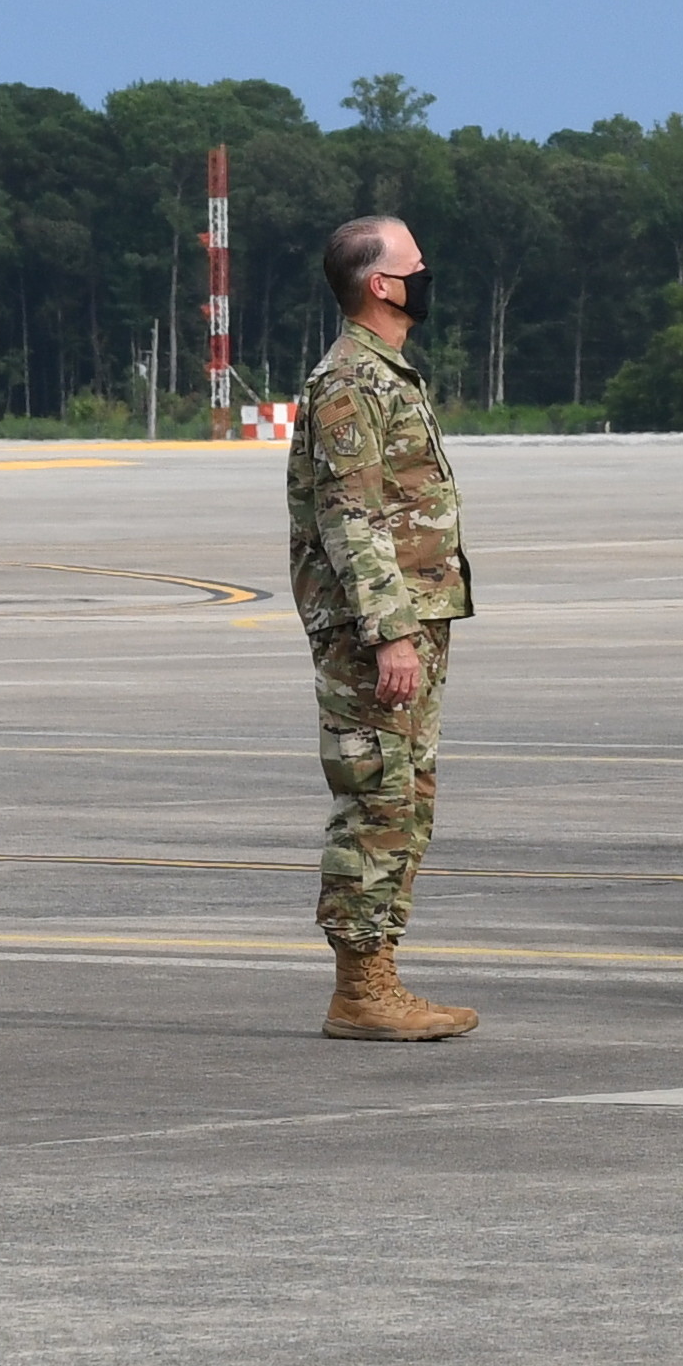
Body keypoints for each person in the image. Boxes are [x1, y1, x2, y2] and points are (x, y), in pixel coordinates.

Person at [288, 214, 477, 1041]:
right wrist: (389, 632)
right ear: (380, 284)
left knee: (407, 800)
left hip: (412, 621)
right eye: (416, 263)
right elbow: (350, 515)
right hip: (378, 633)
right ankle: (361, 988)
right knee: (376, 799)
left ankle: (381, 976)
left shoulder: (389, 373)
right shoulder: (348, 382)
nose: (427, 273)